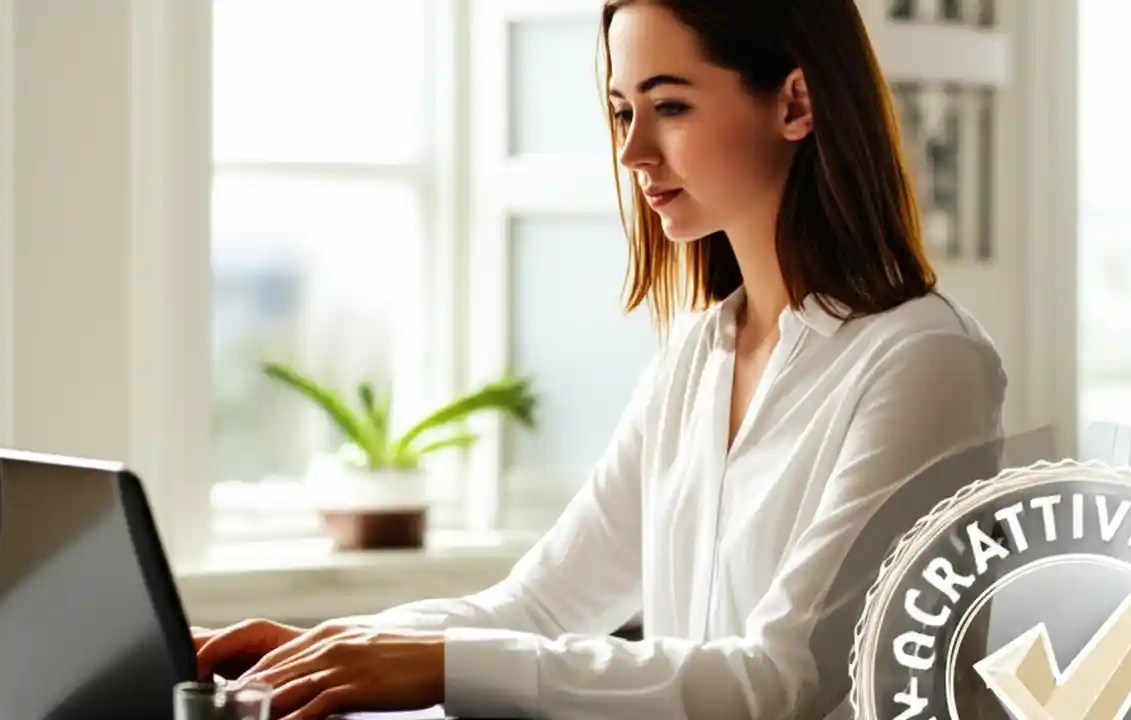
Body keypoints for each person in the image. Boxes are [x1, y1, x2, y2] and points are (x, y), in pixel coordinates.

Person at [193, 1, 1007, 718]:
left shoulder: (926, 362)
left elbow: (782, 680)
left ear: (795, 101)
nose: (633, 152)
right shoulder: (699, 354)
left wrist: (436, 665)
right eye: (622, 111)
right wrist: (319, 650)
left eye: (671, 105)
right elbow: (544, 605)